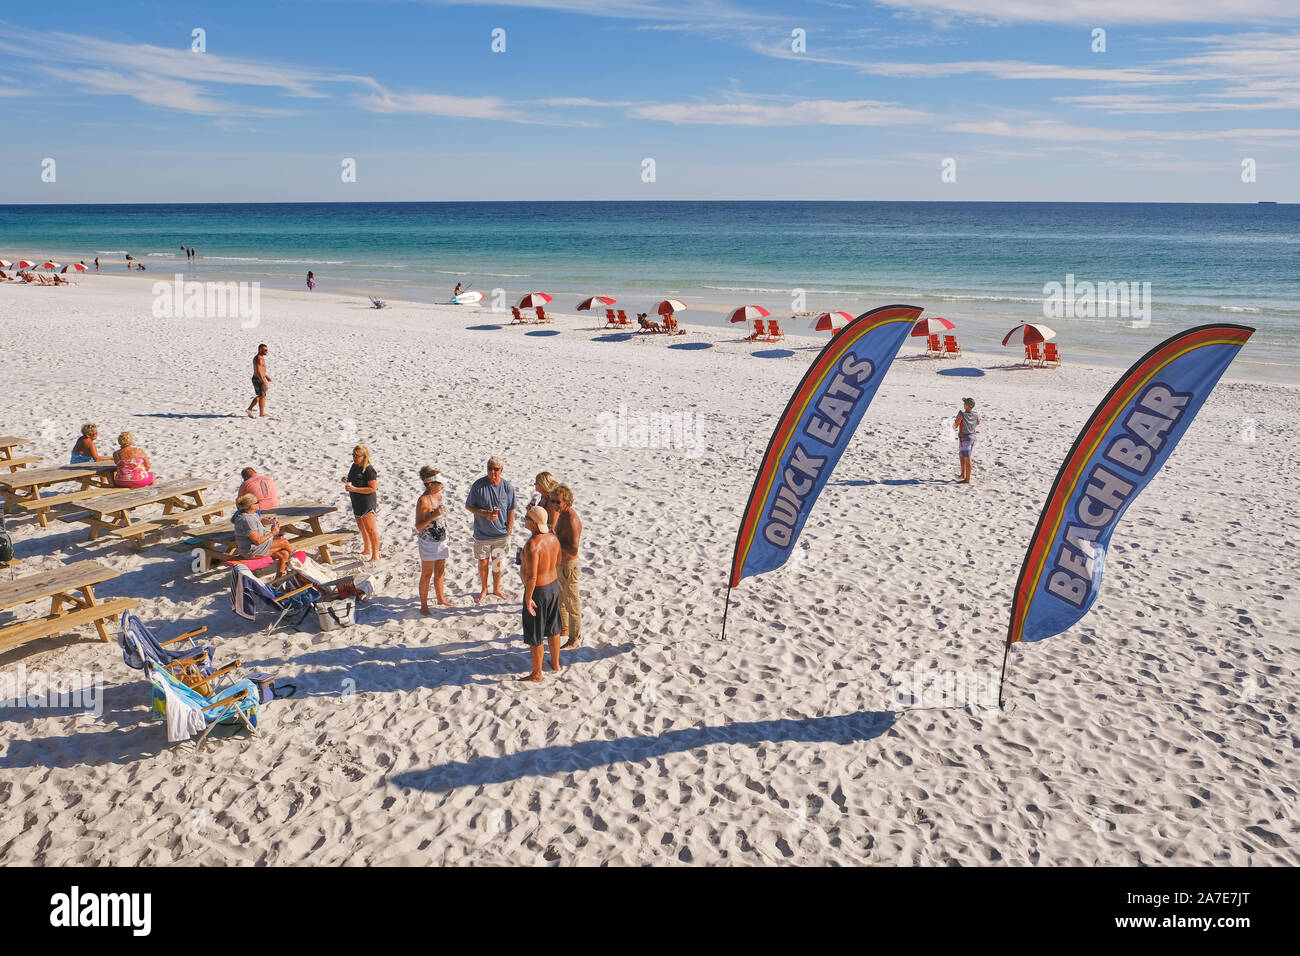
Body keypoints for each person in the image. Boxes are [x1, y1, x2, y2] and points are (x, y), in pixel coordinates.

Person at [518, 504, 564, 682]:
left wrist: (528, 599)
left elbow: (531, 577)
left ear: (535, 523)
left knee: (535, 635)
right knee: (553, 628)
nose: (525, 519)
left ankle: (537, 673)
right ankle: (555, 662)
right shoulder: (553, 538)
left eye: (528, 518)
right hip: (553, 586)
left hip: (539, 591)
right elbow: (558, 560)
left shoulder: (532, 545)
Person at [465, 456, 516, 604]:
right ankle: (484, 589)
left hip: (501, 534)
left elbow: (511, 507)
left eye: (496, 469)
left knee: (497, 563)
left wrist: (510, 526)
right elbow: (468, 506)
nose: (492, 472)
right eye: (489, 468)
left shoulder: (507, 487)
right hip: (482, 534)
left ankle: (496, 588)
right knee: (483, 563)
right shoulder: (478, 485)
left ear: (501, 470)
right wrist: (484, 513)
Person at [415, 466, 453, 614]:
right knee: (427, 574)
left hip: (441, 539)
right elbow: (418, 526)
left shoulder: (438, 496)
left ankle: (440, 598)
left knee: (440, 570)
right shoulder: (423, 500)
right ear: (430, 484)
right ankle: (423, 605)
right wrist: (433, 515)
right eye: (439, 483)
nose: (442, 485)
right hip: (428, 542)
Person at [553, 484, 583, 649]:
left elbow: (573, 548)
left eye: (557, 502)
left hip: (570, 565)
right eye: (552, 501)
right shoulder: (562, 515)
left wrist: (554, 542)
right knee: (561, 600)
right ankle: (564, 629)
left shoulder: (571, 519)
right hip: (561, 563)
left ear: (567, 501)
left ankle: (574, 639)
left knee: (572, 602)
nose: (554, 505)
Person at [232, 494, 293, 574]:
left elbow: (259, 519)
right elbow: (257, 541)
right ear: (251, 506)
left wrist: (270, 521)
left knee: (284, 554)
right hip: (252, 551)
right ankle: (295, 559)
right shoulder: (247, 520)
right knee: (284, 542)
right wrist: (272, 533)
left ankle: (278, 580)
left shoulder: (250, 512)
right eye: (257, 502)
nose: (259, 503)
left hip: (257, 548)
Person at [344, 444, 380, 562]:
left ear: (364, 456)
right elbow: (351, 479)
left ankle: (375, 555)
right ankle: (367, 549)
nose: (354, 458)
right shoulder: (354, 466)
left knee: (370, 529)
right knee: (362, 527)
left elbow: (373, 488)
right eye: (353, 455)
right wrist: (346, 480)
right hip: (356, 500)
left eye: (357, 456)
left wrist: (354, 489)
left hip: (366, 501)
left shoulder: (369, 470)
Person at [954, 397, 980, 484]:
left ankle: (967, 479)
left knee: (967, 457)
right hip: (971, 438)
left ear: (968, 406)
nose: (963, 404)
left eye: (965, 403)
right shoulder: (976, 414)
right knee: (961, 454)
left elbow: (955, 425)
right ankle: (962, 474)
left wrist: (957, 420)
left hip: (965, 439)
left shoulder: (962, 414)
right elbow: (978, 422)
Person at [246, 343, 271, 418]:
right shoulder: (259, 359)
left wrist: (266, 376)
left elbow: (261, 370)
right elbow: (259, 372)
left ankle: (262, 413)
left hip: (261, 378)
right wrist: (264, 382)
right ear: (260, 350)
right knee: (261, 395)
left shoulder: (261, 357)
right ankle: (249, 409)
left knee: (263, 396)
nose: (267, 351)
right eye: (265, 350)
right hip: (258, 379)